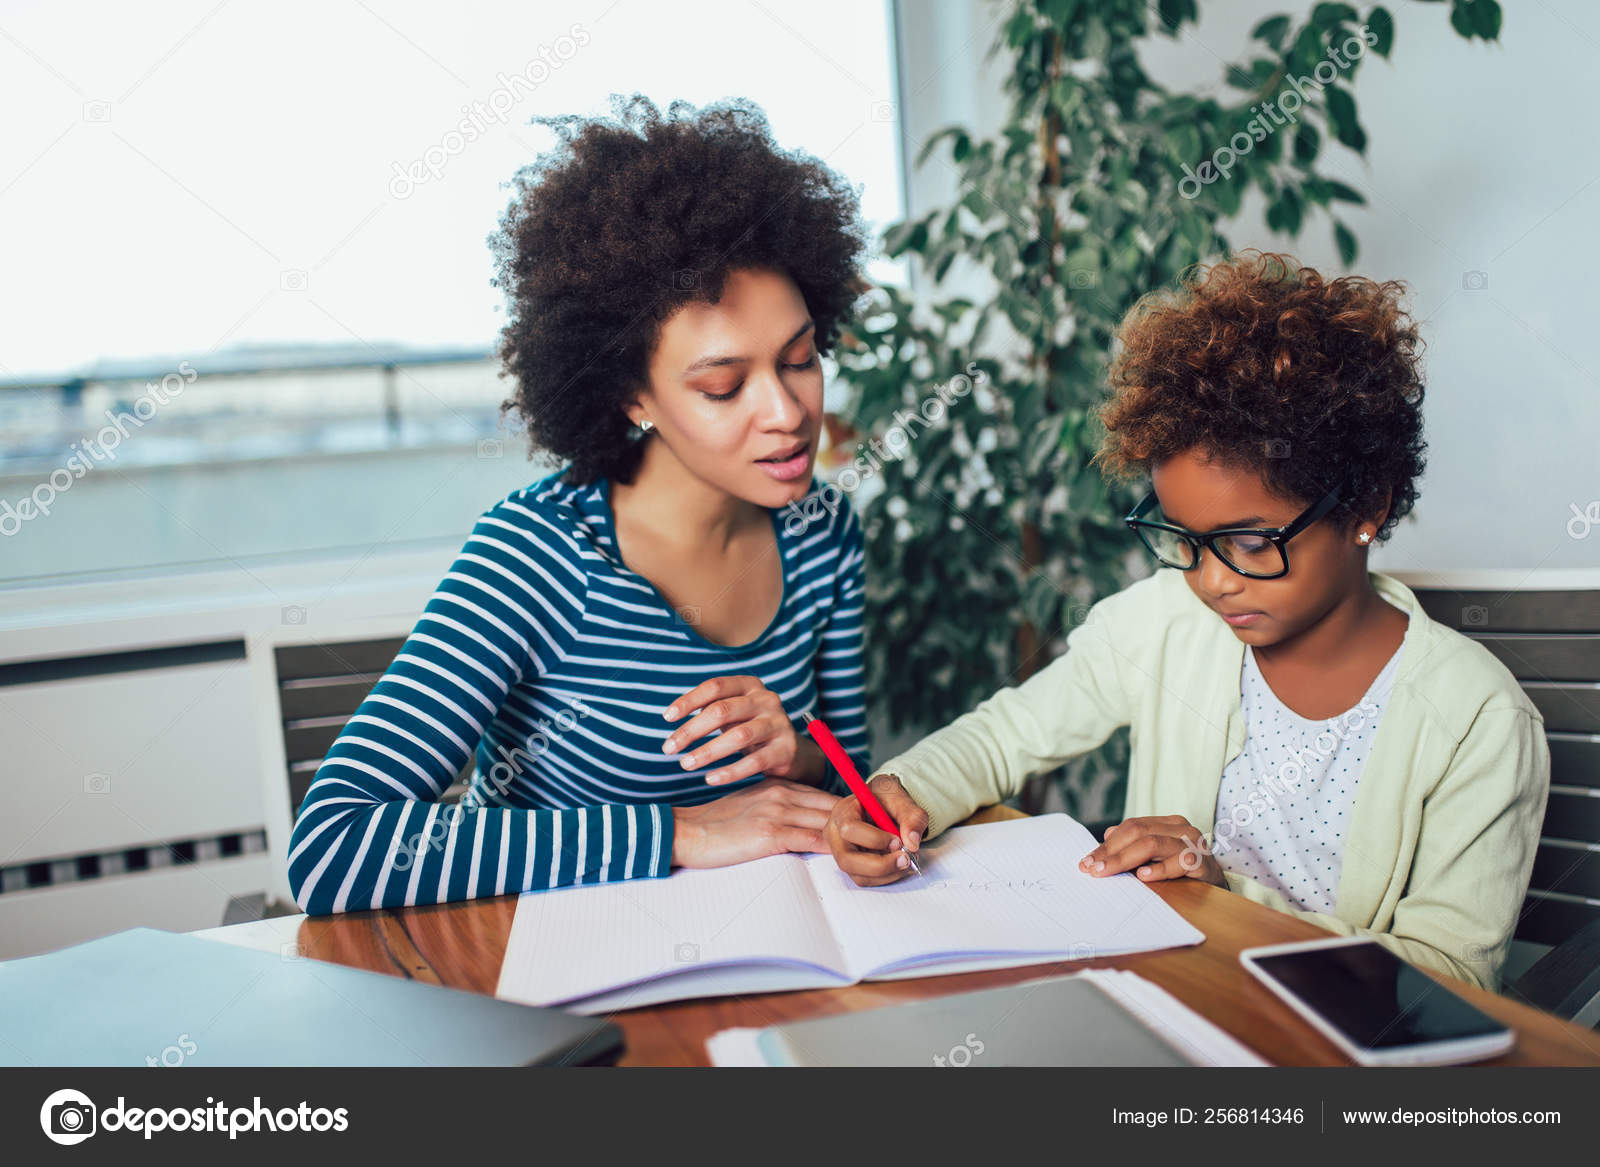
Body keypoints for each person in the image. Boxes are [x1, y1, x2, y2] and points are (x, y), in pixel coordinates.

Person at [823, 251, 1549, 990]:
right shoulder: (1165, 622)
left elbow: (1454, 979)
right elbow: (1004, 735)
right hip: (1166, 1004)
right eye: (1188, 540)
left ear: (1366, 507)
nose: (1211, 580)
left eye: (1249, 541)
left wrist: (1223, 892)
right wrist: (902, 786)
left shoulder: (1478, 721)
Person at [289, 96, 871, 915]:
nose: (786, 411)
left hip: (751, 956)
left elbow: (854, 774)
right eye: (722, 385)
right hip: (551, 985)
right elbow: (333, 848)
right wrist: (682, 831)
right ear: (633, 395)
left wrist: (802, 755)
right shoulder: (534, 555)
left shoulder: (823, 536)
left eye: (801, 358)